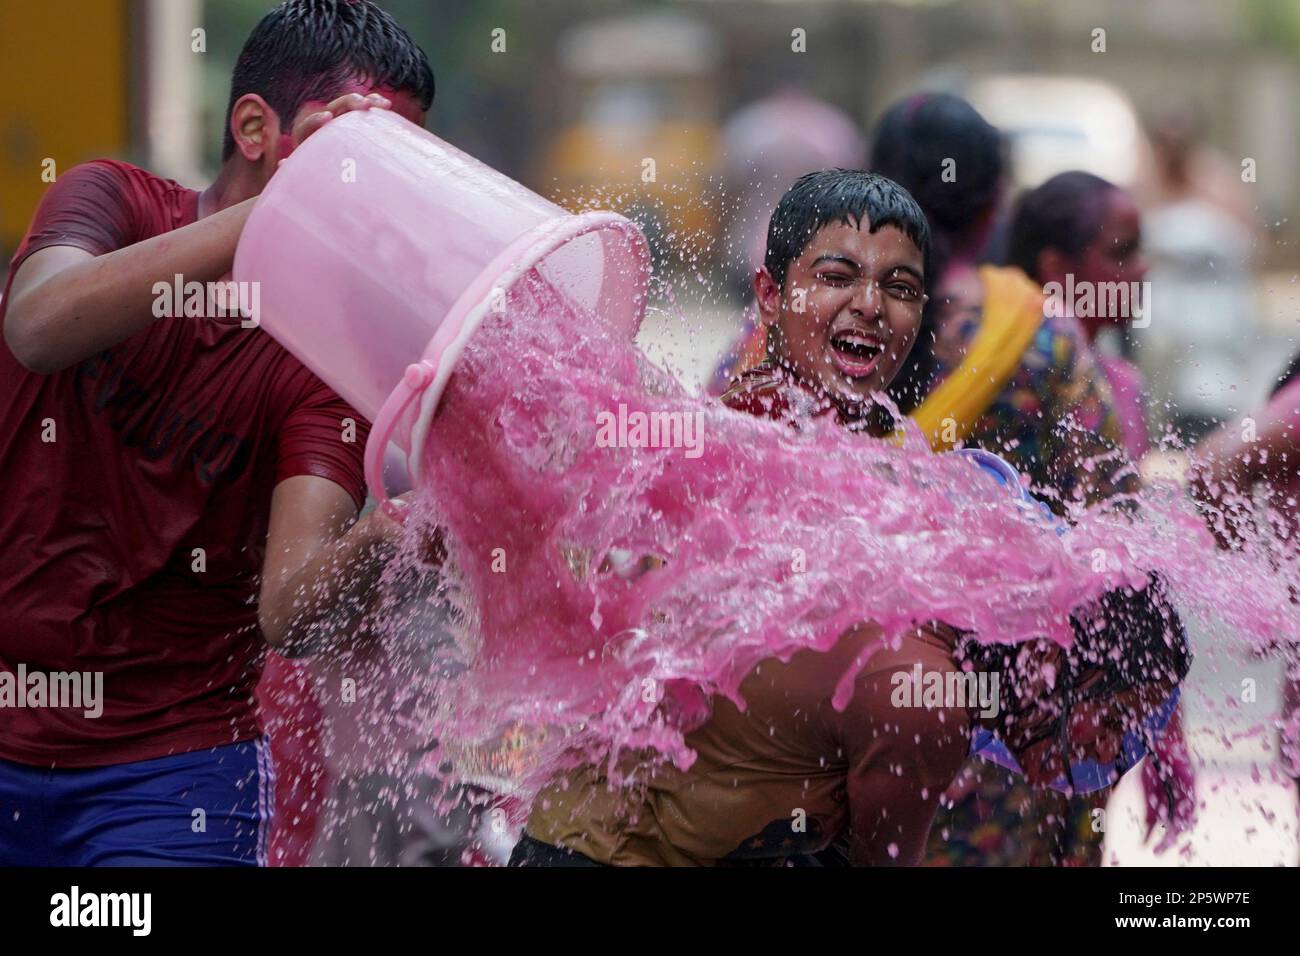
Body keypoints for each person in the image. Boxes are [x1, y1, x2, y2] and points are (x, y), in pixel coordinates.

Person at [510, 171, 1187, 867]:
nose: (869, 305)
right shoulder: (733, 448)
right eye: (837, 277)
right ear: (769, 294)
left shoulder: (895, 490)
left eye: (900, 288)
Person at [0, 0, 433, 866]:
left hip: (172, 772)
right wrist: (286, 210)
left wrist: (396, 527)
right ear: (253, 129)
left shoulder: (322, 361)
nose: (375, 196)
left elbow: (288, 612)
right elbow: (38, 327)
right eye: (358, 158)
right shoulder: (111, 198)